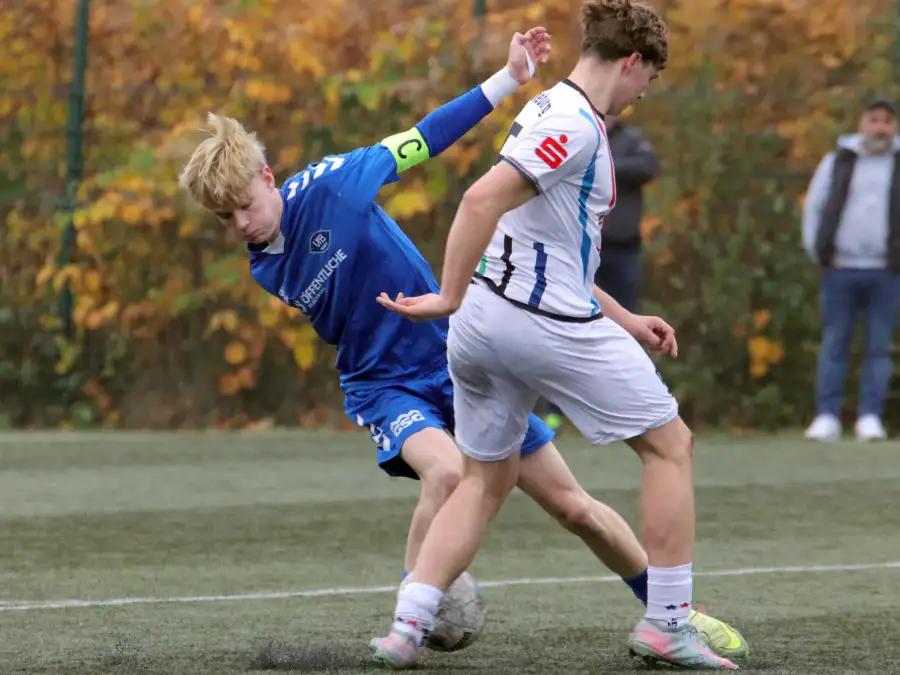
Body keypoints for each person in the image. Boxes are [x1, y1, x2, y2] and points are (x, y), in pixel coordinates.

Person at [178, 23, 743, 669]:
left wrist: (508, 79)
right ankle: (413, 612)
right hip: (383, 385)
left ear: (269, 177)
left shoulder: (335, 185)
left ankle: (672, 611)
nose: (241, 225)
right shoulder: (261, 262)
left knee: (575, 508)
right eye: (224, 219)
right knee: (448, 472)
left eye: (245, 205)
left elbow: (425, 139)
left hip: (459, 357)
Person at [373, 1, 738, 670]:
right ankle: (668, 622)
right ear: (631, 62)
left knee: (485, 479)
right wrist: (445, 294)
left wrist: (625, 318)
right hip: (536, 324)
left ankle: (408, 624)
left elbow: (549, 243)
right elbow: (481, 199)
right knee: (670, 444)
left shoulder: (545, 109)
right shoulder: (575, 125)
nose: (641, 96)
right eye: (646, 81)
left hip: (482, 327)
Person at [543, 113, 660, 430]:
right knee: (567, 323)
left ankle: (634, 404)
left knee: (628, 326)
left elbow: (648, 167)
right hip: (582, 251)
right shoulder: (579, 134)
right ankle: (556, 408)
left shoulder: (631, 139)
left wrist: (604, 166)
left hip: (623, 251)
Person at [802, 94, 900, 442]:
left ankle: (870, 417)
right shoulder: (838, 161)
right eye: (874, 120)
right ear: (862, 123)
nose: (880, 127)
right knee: (834, 342)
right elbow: (815, 207)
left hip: (887, 271)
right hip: (840, 269)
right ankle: (827, 416)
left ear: (895, 126)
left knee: (878, 346)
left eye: (887, 121)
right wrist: (820, 252)